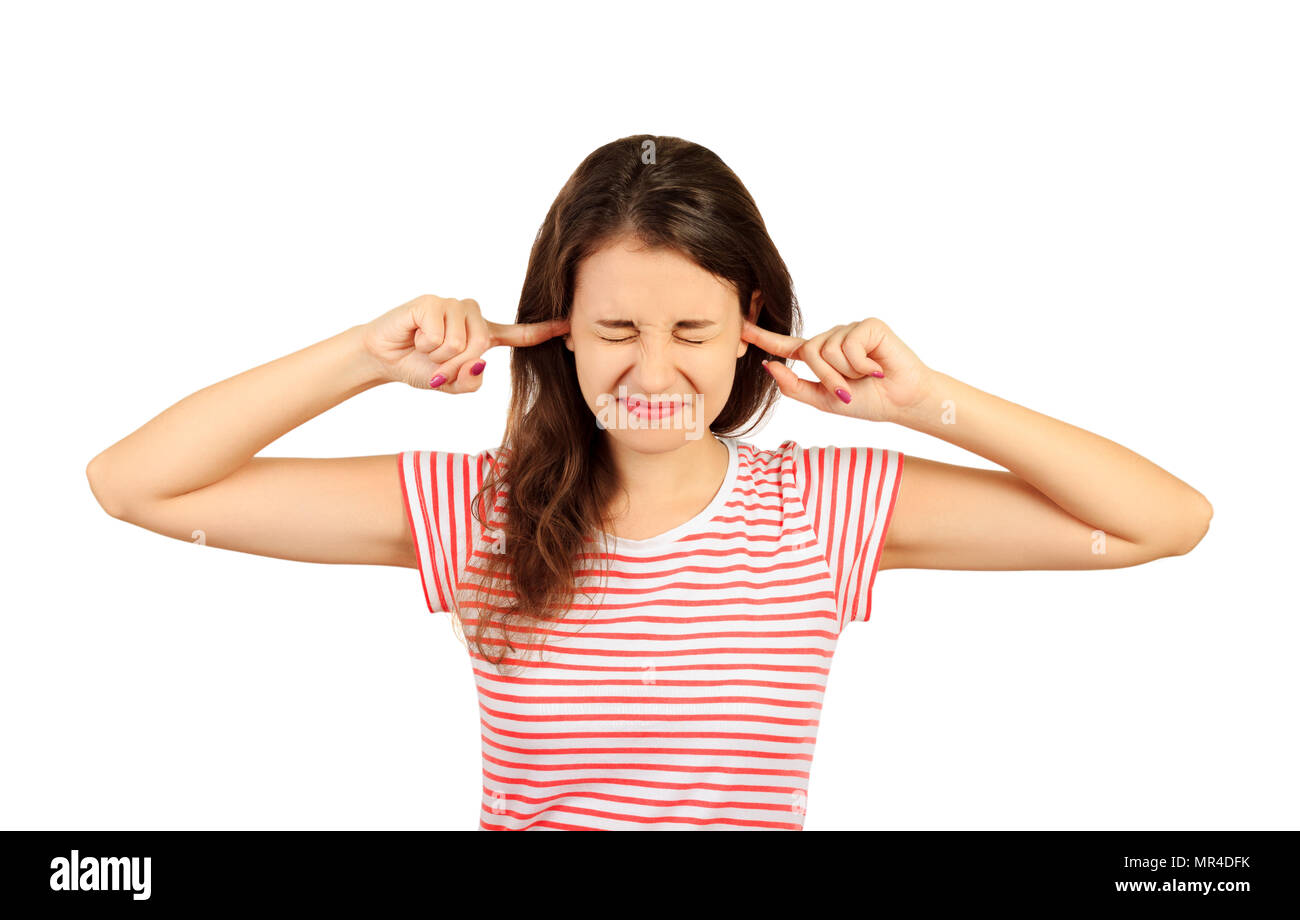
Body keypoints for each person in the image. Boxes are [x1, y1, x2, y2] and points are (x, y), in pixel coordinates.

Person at [85, 134, 1213, 830]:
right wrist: (362, 355)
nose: (655, 368)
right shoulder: (477, 507)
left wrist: (931, 403)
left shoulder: (825, 507)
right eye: (616, 326)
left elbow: (1167, 520)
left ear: (753, 330)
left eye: (693, 327)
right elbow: (138, 486)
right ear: (560, 330)